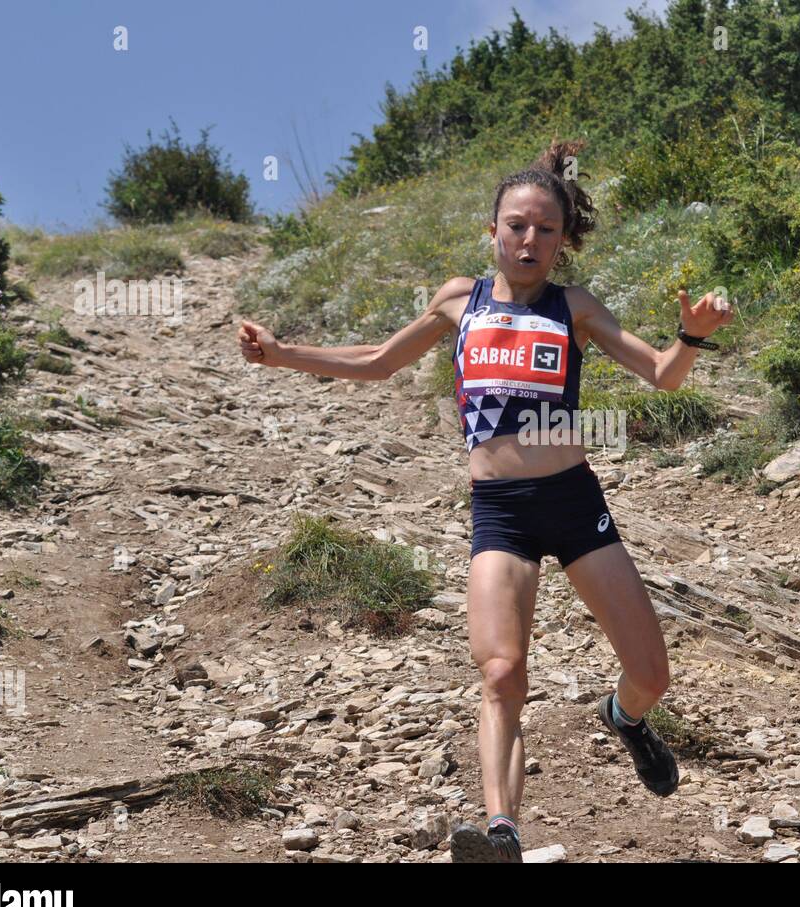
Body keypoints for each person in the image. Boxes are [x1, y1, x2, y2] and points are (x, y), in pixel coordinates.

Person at [239, 137, 732, 863]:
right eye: (516, 226)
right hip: (499, 509)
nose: (528, 240)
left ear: (562, 243)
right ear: (492, 230)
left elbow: (663, 375)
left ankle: (623, 718)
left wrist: (691, 335)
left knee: (652, 674)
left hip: (572, 501)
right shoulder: (456, 299)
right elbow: (377, 362)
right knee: (502, 671)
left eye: (545, 229)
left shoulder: (575, 307)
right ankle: (501, 830)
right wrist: (283, 353)